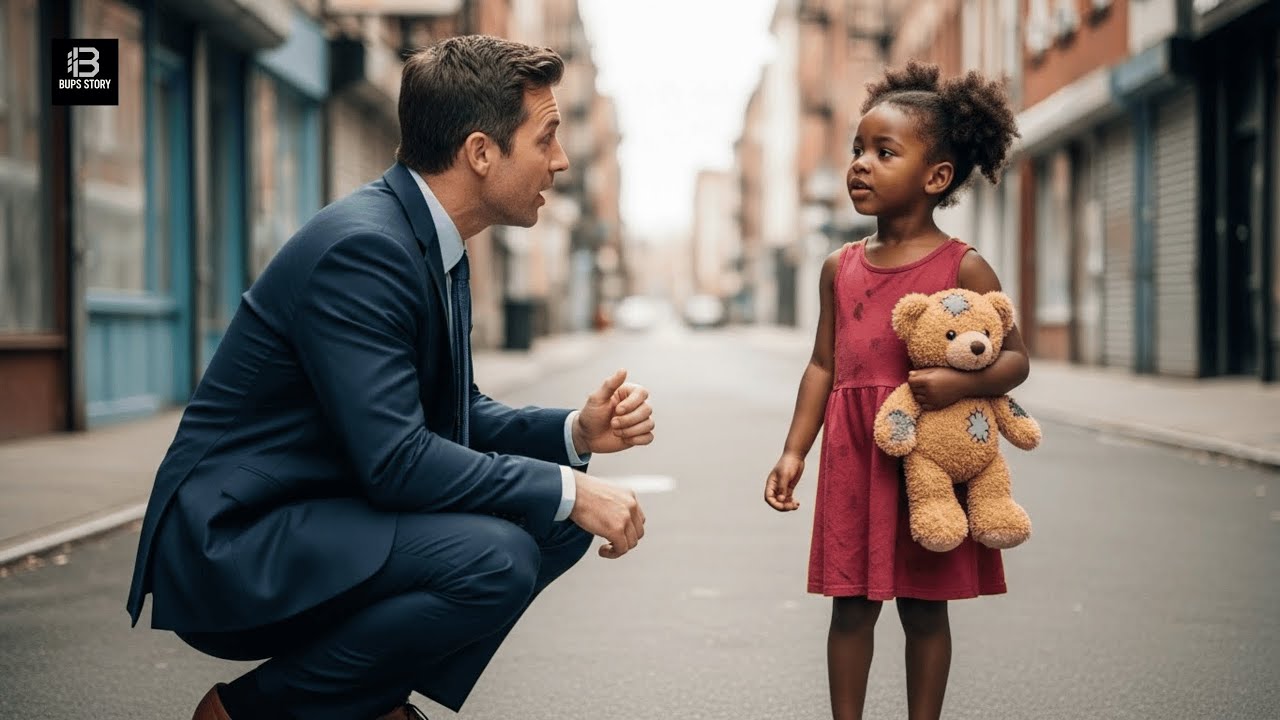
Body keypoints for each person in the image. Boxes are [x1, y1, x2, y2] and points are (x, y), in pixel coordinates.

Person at [126, 35, 654, 720]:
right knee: (498, 555)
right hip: (236, 541)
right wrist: (567, 485)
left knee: (554, 523)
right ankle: (251, 711)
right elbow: (397, 460)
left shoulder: (434, 243)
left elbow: (453, 412)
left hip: (323, 511)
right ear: (481, 152)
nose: (559, 160)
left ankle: (365, 700)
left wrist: (572, 435)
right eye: (546, 137)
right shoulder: (365, 249)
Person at [763, 60, 1027, 720]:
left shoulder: (962, 265)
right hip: (855, 458)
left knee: (924, 606)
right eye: (858, 149)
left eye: (884, 152)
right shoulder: (838, 267)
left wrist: (956, 379)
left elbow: (1015, 360)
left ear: (936, 177)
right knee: (850, 607)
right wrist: (795, 450)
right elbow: (824, 365)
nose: (860, 164)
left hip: (926, 464)